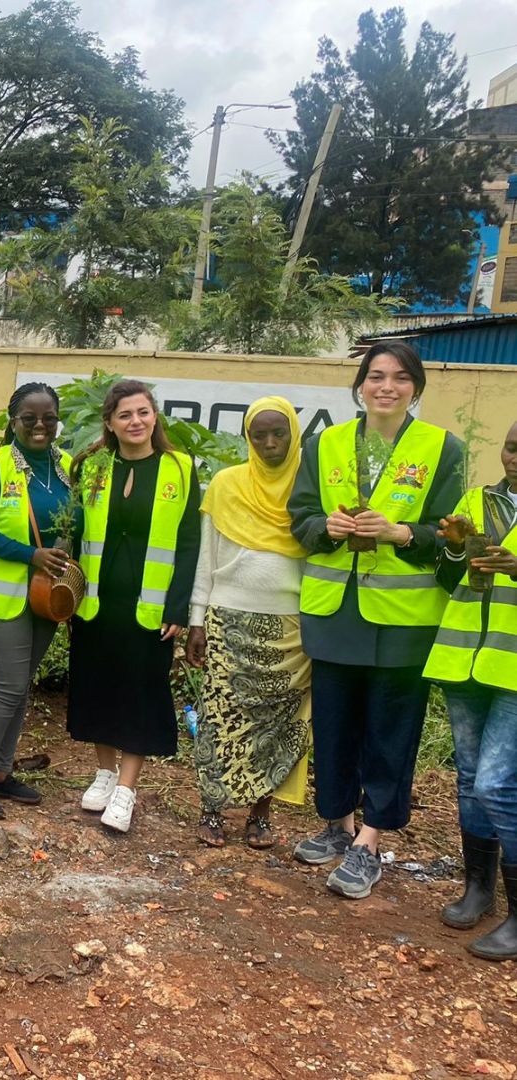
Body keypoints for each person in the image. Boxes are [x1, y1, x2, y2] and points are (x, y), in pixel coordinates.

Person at [288, 341, 463, 899]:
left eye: (400, 378)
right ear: (360, 384)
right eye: (375, 376)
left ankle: (370, 839)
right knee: (334, 724)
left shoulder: (443, 449)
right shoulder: (325, 443)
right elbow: (301, 518)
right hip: (335, 610)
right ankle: (336, 823)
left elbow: (449, 533)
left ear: (416, 387)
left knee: (391, 730)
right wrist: (328, 529)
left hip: (404, 618)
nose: (386, 387)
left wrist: (403, 533)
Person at [67, 379, 201, 834]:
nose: (136, 421)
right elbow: (75, 530)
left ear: (155, 416)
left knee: (141, 691)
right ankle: (104, 772)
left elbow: (188, 544)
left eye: (143, 412)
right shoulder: (92, 467)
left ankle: (127, 787)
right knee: (98, 687)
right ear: (109, 422)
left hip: (150, 606)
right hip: (97, 604)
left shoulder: (179, 468)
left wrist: (178, 609)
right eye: (125, 414)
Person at [186, 397, 310, 849]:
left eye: (279, 433)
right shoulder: (226, 484)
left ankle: (261, 814)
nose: (270, 442)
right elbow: (206, 558)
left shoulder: (308, 490)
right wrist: (196, 620)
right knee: (222, 717)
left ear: (294, 433)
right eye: (260, 434)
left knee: (278, 725)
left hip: (293, 629)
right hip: (228, 619)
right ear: (248, 437)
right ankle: (212, 811)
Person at [421, 418, 517, 959]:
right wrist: (454, 548)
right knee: (470, 778)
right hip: (462, 660)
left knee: (498, 784)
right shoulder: (476, 502)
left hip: (513, 666)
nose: (514, 458)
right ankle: (479, 888)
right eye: (509, 447)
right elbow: (446, 578)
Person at [0, 382, 70, 824]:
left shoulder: (62, 467)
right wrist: (32, 555)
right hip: (0, 596)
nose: (40, 426)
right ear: (13, 420)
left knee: (21, 687)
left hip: (47, 596)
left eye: (48, 418)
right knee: (7, 687)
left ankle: (2, 773)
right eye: (29, 418)